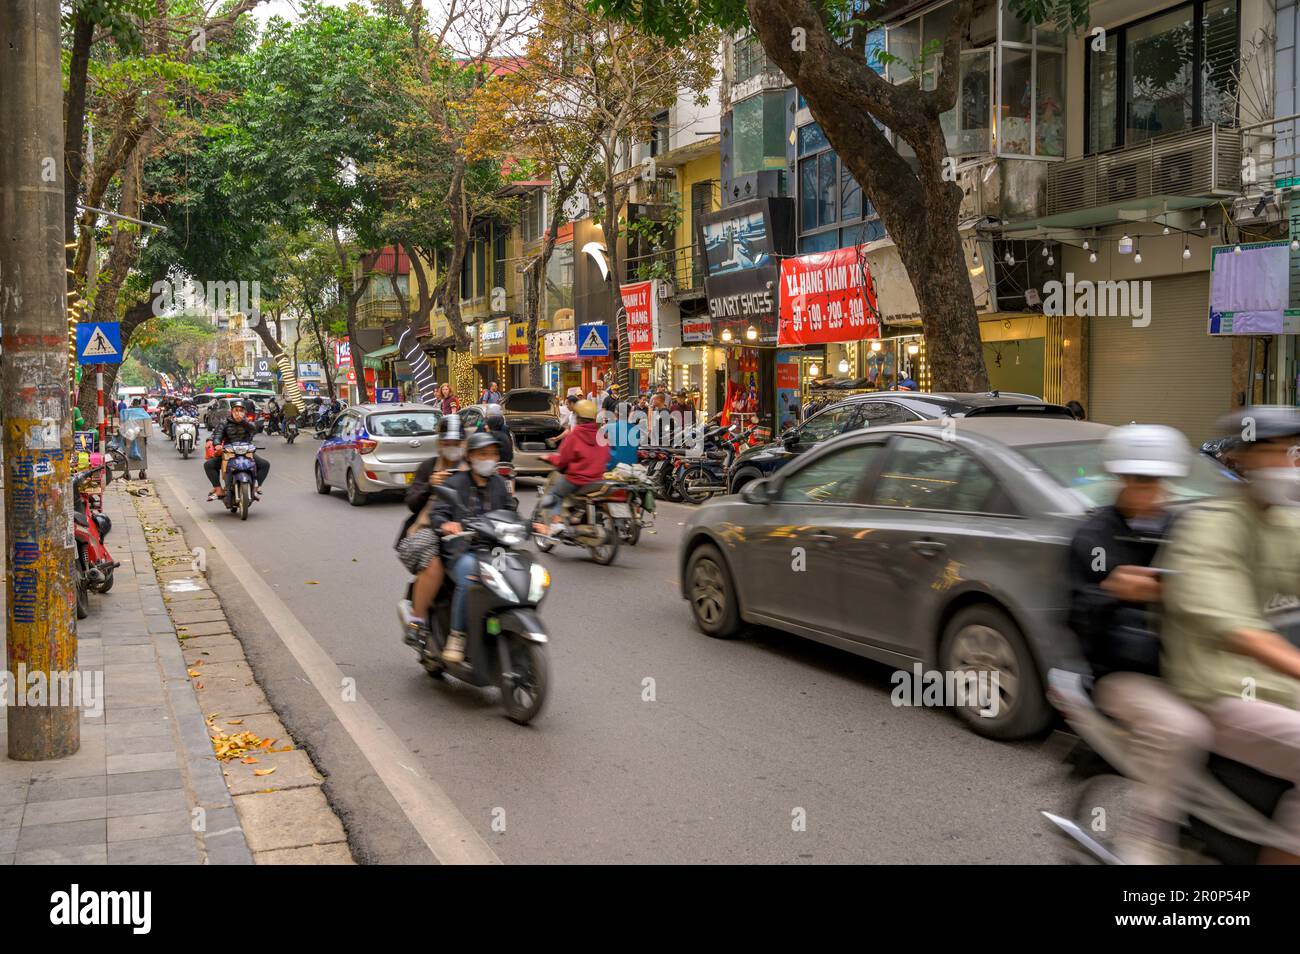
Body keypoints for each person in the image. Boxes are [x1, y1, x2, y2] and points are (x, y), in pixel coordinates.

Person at [1067, 424, 1213, 864]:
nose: (1152, 491)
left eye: (1158, 481)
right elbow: (1080, 617)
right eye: (1141, 480)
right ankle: (1144, 838)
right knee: (1182, 728)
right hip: (1123, 676)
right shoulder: (1093, 537)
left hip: (1195, 664)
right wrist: (1114, 592)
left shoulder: (1184, 527)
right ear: (1122, 479)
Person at [1161, 406, 1300, 864]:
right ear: (1244, 458)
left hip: (1280, 687)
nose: (1288, 463)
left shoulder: (1286, 521)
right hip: (1220, 689)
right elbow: (1237, 629)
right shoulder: (1209, 525)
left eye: (1292, 451)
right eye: (1275, 451)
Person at [422, 432, 515, 664]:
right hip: (463, 550)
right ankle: (457, 635)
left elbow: (511, 512)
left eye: (492, 454)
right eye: (483, 454)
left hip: (495, 550)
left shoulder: (499, 484)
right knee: (471, 577)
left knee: (521, 574)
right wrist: (447, 524)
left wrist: (533, 525)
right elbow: (438, 513)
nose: (488, 458)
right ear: (471, 457)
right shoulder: (456, 483)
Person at [535, 399, 607, 534]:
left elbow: (563, 459)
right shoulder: (601, 435)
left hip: (577, 479)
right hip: (598, 480)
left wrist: (549, 458)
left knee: (555, 493)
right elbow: (607, 456)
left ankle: (557, 523)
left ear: (578, 417)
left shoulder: (575, 435)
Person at [204, 400, 269, 500]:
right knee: (209, 465)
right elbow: (217, 435)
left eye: (241, 410)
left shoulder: (248, 422)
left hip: (246, 451)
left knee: (265, 464)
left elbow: (254, 429)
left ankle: (256, 487)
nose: (238, 412)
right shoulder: (224, 422)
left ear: (244, 412)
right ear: (232, 411)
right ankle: (218, 489)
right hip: (228, 452)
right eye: (236, 410)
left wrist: (243, 421)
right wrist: (217, 444)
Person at [120, 398, 152, 480]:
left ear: (132, 403)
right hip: (141, 435)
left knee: (128, 449)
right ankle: (141, 469)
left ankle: (129, 469)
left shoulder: (128, 410)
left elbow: (123, 421)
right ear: (138, 403)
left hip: (129, 434)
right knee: (142, 449)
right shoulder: (141, 411)